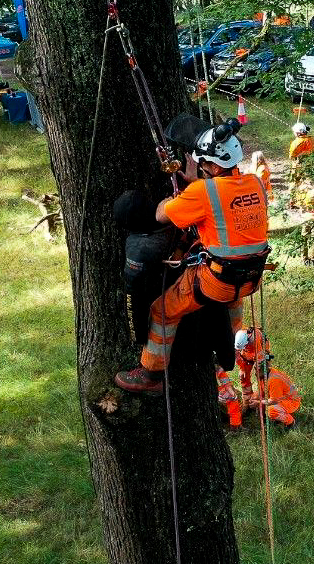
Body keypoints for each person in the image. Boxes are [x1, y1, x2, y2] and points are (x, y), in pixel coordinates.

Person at [114, 119, 269, 394]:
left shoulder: (201, 192)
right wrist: (200, 186)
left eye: (203, 164)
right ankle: (231, 343)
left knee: (162, 311)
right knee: (228, 299)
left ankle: (151, 374)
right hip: (251, 279)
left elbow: (163, 214)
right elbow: (227, 204)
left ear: (212, 165)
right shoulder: (255, 184)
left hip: (218, 281)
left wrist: (182, 195)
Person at [294, 180, 314, 265]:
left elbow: (298, 203)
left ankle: (304, 258)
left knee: (304, 238)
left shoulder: (301, 189)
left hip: (305, 217)